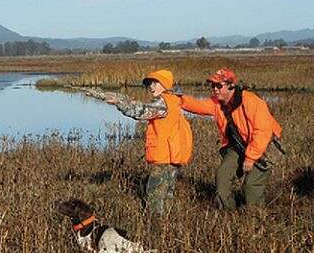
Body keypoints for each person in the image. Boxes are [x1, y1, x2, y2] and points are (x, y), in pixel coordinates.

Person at [179, 68, 282, 210]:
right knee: (222, 176)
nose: (214, 89)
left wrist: (250, 158)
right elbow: (198, 105)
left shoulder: (251, 101)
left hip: (263, 146)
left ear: (231, 86)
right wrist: (178, 99)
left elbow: (263, 131)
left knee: (251, 186)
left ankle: (253, 217)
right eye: (212, 85)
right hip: (237, 147)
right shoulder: (216, 103)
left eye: (219, 86)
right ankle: (227, 213)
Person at [95, 69, 193, 214]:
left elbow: (141, 112)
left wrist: (119, 103)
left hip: (164, 155)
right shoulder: (173, 100)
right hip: (172, 154)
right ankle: (169, 223)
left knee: (154, 194)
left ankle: (155, 226)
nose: (151, 87)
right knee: (167, 193)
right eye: (150, 84)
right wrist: (125, 100)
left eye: (156, 83)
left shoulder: (162, 102)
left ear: (165, 84)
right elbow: (144, 107)